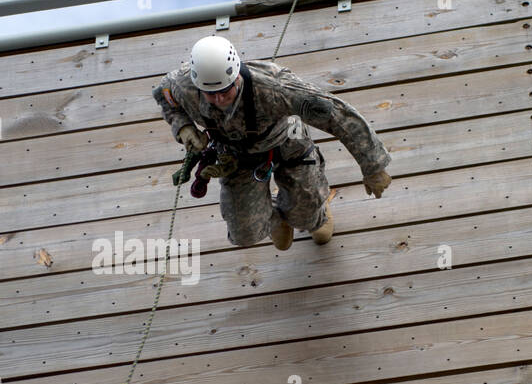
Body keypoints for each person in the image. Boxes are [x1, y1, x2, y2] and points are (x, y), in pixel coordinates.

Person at [152, 35, 392, 249]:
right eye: (210, 93)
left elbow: (337, 114)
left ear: (235, 76)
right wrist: (183, 127)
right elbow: (164, 97)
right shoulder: (182, 85)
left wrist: (373, 167)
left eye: (225, 90)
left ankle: (317, 211)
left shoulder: (276, 87)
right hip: (237, 155)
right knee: (244, 233)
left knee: (306, 218)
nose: (219, 98)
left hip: (289, 142)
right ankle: (276, 221)